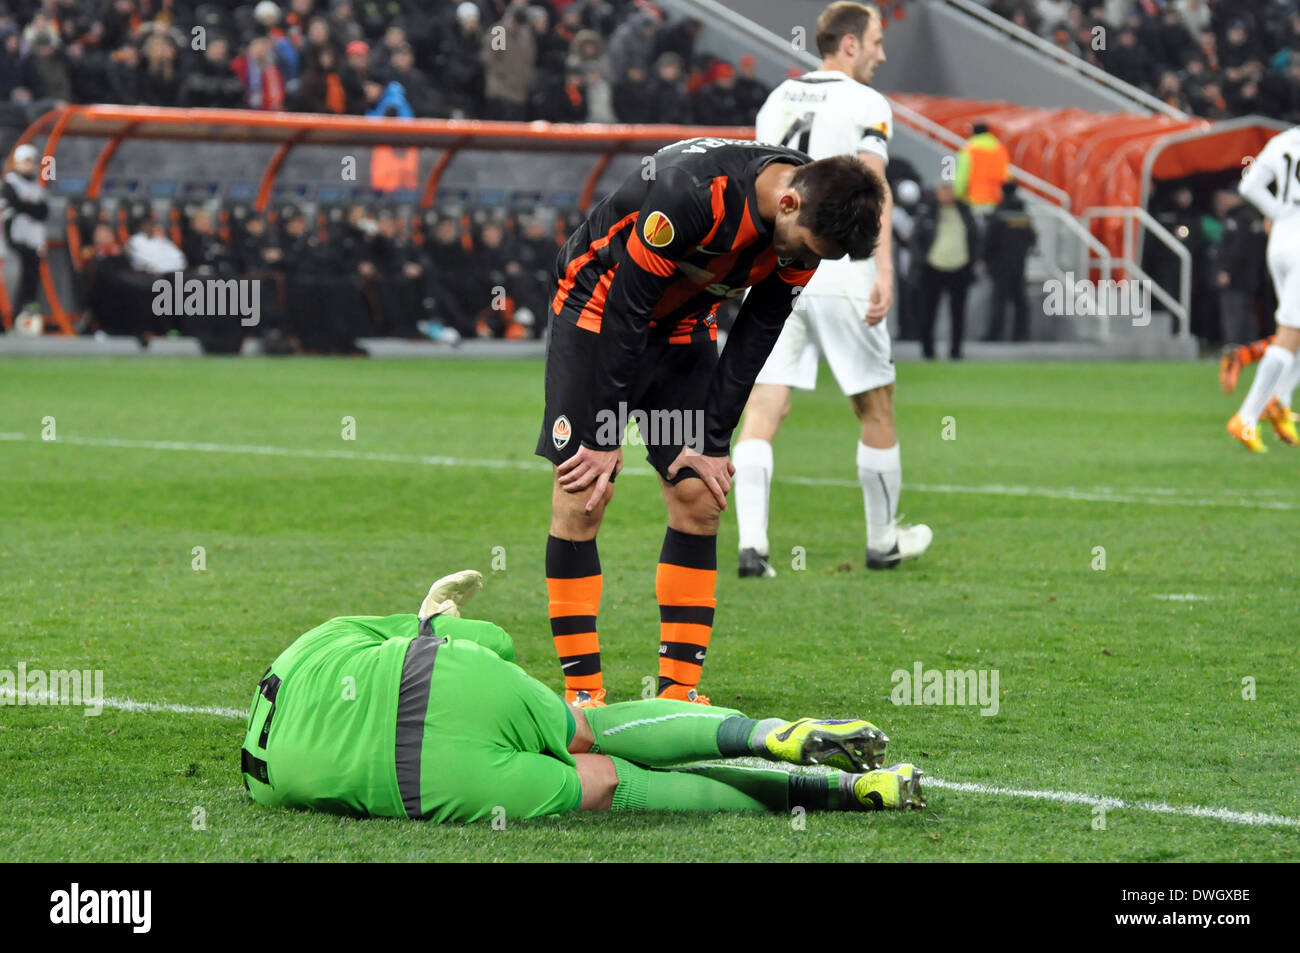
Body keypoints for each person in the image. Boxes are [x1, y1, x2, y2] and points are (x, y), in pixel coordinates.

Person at [537, 137, 885, 707]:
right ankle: (583, 696)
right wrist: (605, 435)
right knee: (584, 492)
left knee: (700, 494)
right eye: (806, 249)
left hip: (683, 323)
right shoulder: (692, 194)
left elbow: (755, 335)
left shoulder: (809, 230)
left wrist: (712, 441)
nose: (804, 261)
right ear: (789, 204)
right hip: (599, 307)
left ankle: (678, 697)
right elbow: (629, 305)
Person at [239, 570, 924, 822]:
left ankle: (841, 794)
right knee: (584, 728)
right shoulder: (322, 640)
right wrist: (439, 619)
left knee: (603, 783)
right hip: (439, 678)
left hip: (421, 780)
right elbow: (493, 643)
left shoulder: (261, 784)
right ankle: (763, 731)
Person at [733, 1, 931, 579]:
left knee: (765, 406)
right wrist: (885, 271)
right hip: (841, 266)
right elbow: (875, 189)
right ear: (849, 45)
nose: (881, 53)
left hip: (776, 267)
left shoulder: (778, 99)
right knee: (875, 405)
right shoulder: (867, 104)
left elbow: (762, 185)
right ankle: (882, 541)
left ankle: (753, 547)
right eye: (875, 41)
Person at [1227, 124, 1300, 451]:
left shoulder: (1284, 139)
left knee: (1295, 331)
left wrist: (1279, 213)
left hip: (1282, 237)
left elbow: (1250, 185)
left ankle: (1279, 403)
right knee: (1289, 335)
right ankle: (1247, 416)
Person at [914, 183, 978, 361]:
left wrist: (973, 262)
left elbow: (974, 238)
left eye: (950, 190)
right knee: (928, 311)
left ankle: (956, 351)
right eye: (943, 190)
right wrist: (921, 261)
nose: (947, 194)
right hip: (933, 267)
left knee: (958, 313)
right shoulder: (928, 213)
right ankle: (928, 351)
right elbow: (917, 239)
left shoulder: (965, 212)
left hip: (960, 267)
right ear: (937, 192)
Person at [981, 181, 1037, 342]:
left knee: (999, 301)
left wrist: (985, 258)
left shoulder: (999, 214)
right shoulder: (1023, 215)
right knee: (1020, 302)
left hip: (1000, 265)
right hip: (1019, 264)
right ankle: (1021, 335)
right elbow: (1031, 238)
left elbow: (990, 239)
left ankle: (995, 335)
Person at [2, 144, 49, 319]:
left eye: (31, 161)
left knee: (31, 279)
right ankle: (10, 316)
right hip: (13, 241)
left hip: (33, 241)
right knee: (14, 279)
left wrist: (27, 206)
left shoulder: (35, 185)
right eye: (25, 161)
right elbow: (15, 204)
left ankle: (25, 313)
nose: (29, 165)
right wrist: (29, 206)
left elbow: (43, 211)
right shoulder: (9, 183)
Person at [953, 121, 1010, 216]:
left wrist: (959, 194)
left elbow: (962, 175)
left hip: (975, 199)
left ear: (973, 132)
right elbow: (1007, 174)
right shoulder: (1000, 149)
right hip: (997, 199)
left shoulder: (968, 150)